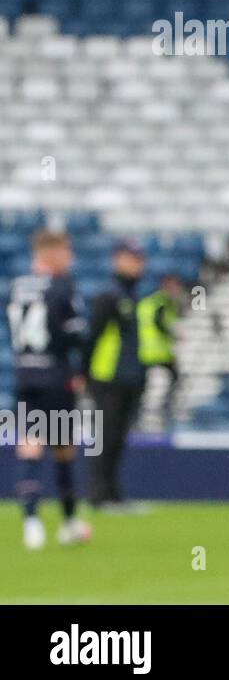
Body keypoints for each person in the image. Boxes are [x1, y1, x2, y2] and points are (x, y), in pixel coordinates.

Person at [7, 230, 93, 549]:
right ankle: (69, 523)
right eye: (66, 252)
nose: (70, 259)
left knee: (29, 444)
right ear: (51, 253)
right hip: (57, 377)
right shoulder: (62, 287)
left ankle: (31, 523)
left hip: (25, 375)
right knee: (63, 449)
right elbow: (76, 336)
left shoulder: (15, 287)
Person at [85, 238, 147, 510]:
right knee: (106, 436)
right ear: (118, 258)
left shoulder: (133, 295)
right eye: (132, 258)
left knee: (119, 438)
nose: (138, 264)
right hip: (107, 378)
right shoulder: (108, 295)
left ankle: (113, 493)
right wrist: (83, 374)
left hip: (130, 377)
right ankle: (99, 495)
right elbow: (92, 337)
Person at [138, 273, 184, 431]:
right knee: (174, 376)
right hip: (157, 351)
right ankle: (164, 407)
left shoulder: (151, 301)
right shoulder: (163, 302)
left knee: (145, 383)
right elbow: (159, 322)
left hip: (146, 350)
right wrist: (173, 334)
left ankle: (144, 410)